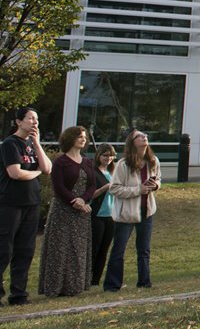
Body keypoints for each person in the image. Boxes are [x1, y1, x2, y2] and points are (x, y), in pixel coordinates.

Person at [0, 106, 53, 305]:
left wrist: (37, 144)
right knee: (4, 250)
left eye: (36, 119)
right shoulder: (10, 144)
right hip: (10, 204)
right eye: (30, 118)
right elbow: (15, 173)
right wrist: (36, 172)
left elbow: (47, 167)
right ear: (19, 122)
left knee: (25, 250)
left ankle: (18, 294)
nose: (34, 122)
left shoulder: (32, 144)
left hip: (32, 204)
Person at [38, 126, 95, 297]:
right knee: (60, 248)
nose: (83, 139)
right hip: (63, 210)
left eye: (84, 137)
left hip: (81, 211)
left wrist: (83, 200)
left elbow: (92, 185)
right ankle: (55, 287)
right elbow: (59, 187)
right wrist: (74, 201)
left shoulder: (87, 162)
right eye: (79, 136)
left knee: (78, 248)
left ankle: (75, 286)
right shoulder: (60, 162)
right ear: (70, 138)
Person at [104, 129, 161, 292]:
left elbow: (158, 179)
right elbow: (114, 188)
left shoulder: (153, 161)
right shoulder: (123, 164)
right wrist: (138, 190)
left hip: (146, 211)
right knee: (119, 249)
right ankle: (112, 284)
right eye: (139, 136)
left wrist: (155, 185)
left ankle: (144, 281)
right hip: (126, 213)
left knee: (144, 249)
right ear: (132, 142)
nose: (144, 138)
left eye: (145, 136)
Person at [89, 143, 117, 287]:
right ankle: (87, 278)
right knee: (94, 248)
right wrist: (105, 188)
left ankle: (96, 280)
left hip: (111, 216)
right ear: (98, 155)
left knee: (104, 249)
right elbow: (90, 195)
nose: (108, 158)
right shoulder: (93, 173)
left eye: (111, 155)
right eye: (105, 155)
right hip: (97, 215)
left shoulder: (114, 173)